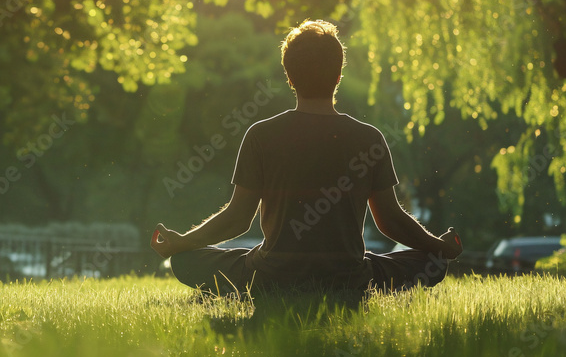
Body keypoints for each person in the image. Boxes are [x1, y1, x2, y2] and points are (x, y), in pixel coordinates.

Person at [150, 20, 463, 295]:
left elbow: (236, 219)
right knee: (432, 263)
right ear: (338, 76)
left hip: (270, 276)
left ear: (290, 77)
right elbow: (391, 222)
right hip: (349, 278)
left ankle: (241, 285)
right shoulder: (370, 139)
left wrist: (184, 243)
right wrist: (439, 247)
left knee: (187, 262)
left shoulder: (261, 135)